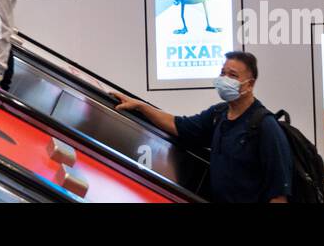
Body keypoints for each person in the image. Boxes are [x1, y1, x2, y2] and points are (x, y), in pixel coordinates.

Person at [112, 50, 291, 203]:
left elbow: (279, 195)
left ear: (250, 84)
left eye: (233, 75)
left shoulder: (265, 125)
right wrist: (141, 107)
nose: (224, 79)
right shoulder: (218, 115)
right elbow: (178, 125)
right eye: (223, 73)